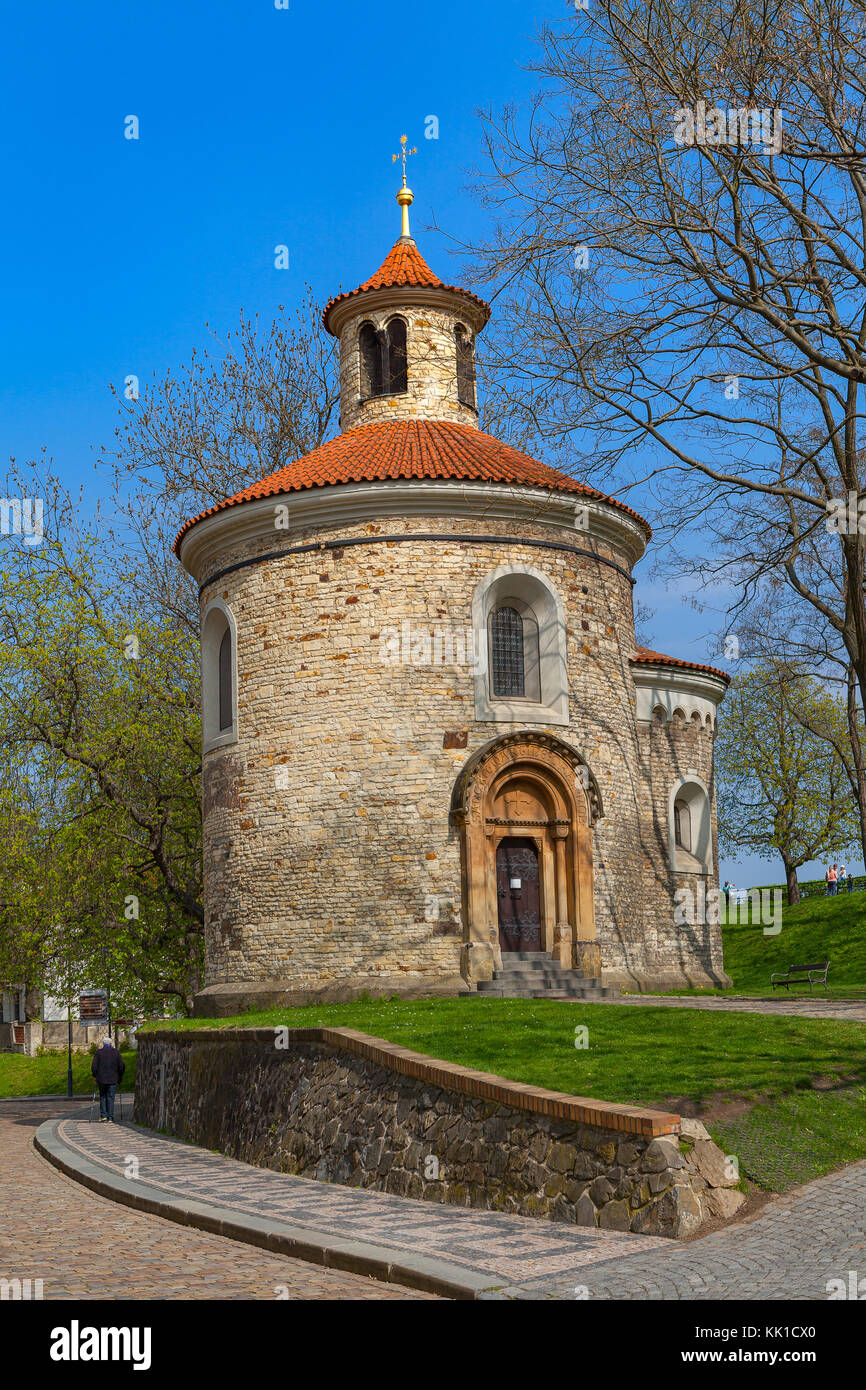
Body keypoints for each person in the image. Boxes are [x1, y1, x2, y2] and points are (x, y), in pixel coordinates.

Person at [91, 1036, 125, 1122]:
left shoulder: (98, 1053)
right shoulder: (116, 1052)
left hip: (101, 1079)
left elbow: (94, 1066)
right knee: (110, 1097)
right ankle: (110, 1117)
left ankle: (103, 1115)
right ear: (110, 1044)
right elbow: (121, 1066)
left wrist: (94, 1076)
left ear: (103, 1044)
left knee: (102, 1097)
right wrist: (120, 1076)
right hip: (113, 1078)